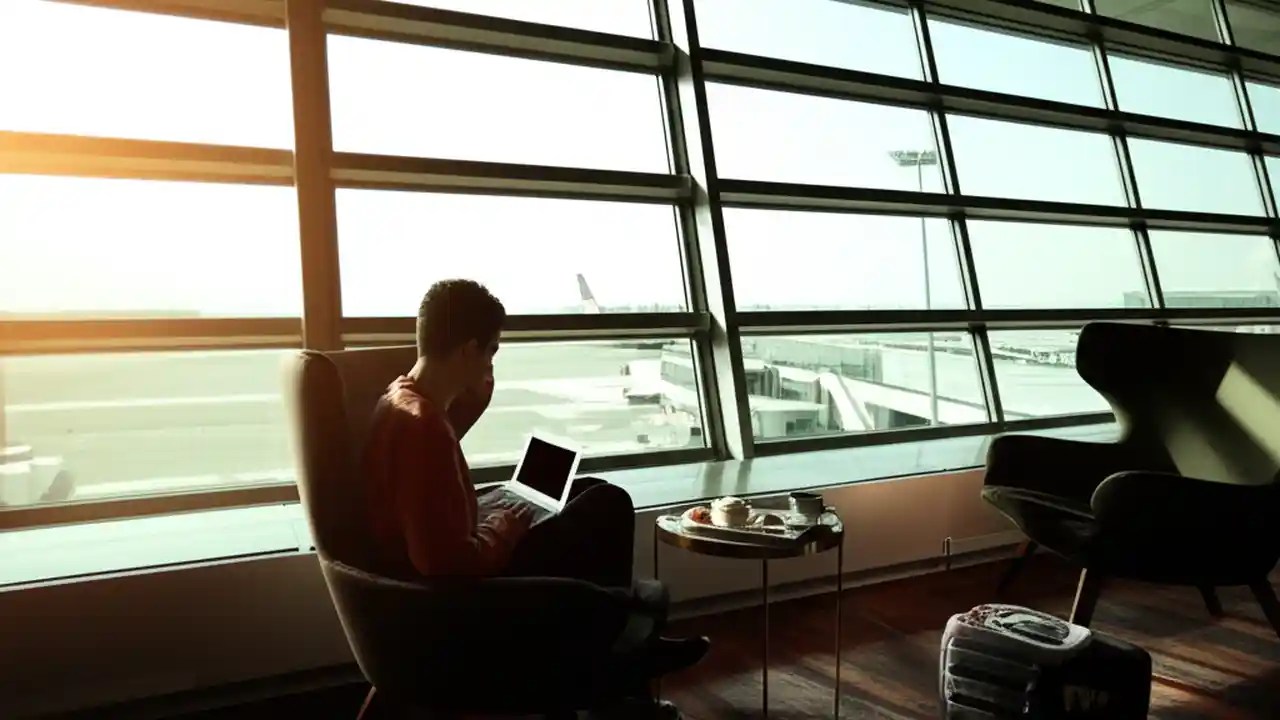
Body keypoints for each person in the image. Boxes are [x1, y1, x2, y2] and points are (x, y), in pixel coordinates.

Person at [363, 279, 707, 712]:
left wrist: (489, 499)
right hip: (460, 602)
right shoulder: (425, 428)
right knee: (607, 505)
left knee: (584, 492)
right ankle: (621, 659)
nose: (492, 362)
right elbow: (446, 562)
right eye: (491, 350)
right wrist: (503, 526)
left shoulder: (399, 399)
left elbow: (430, 489)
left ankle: (619, 648)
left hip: (423, 583)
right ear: (470, 350)